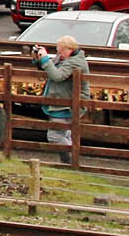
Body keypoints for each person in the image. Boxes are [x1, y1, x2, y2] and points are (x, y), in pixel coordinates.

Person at [32, 35, 90, 165]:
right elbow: (49, 67)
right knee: (65, 135)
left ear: (69, 49)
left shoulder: (75, 62)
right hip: (63, 102)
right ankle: (71, 163)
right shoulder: (67, 58)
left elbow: (57, 75)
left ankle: (71, 163)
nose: (59, 54)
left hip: (67, 105)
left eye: (61, 51)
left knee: (55, 136)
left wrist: (46, 59)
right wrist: (39, 58)